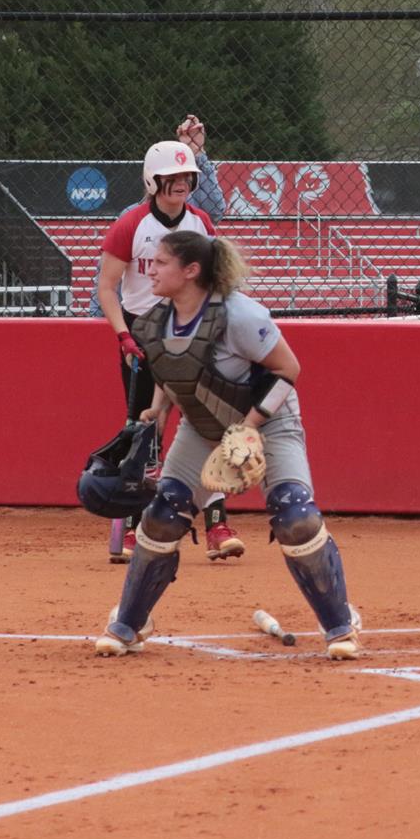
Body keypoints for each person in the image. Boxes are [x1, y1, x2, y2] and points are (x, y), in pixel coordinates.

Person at [95, 230, 360, 659]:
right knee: (163, 516)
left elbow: (288, 370)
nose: (151, 269)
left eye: (161, 263)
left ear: (191, 271)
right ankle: (129, 621)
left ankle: (339, 625)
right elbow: (170, 368)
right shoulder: (156, 318)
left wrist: (249, 428)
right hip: (202, 427)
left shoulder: (239, 315)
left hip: (270, 424)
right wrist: (157, 411)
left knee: (296, 517)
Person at [94, 116, 237, 563]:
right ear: (153, 181)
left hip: (193, 335)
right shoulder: (131, 224)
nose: (180, 185)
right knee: (145, 431)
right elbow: (106, 286)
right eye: (172, 178)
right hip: (143, 337)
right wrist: (123, 335)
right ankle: (139, 526)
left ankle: (217, 525)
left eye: (186, 177)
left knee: (206, 427)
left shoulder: (200, 223)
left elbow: (219, 280)